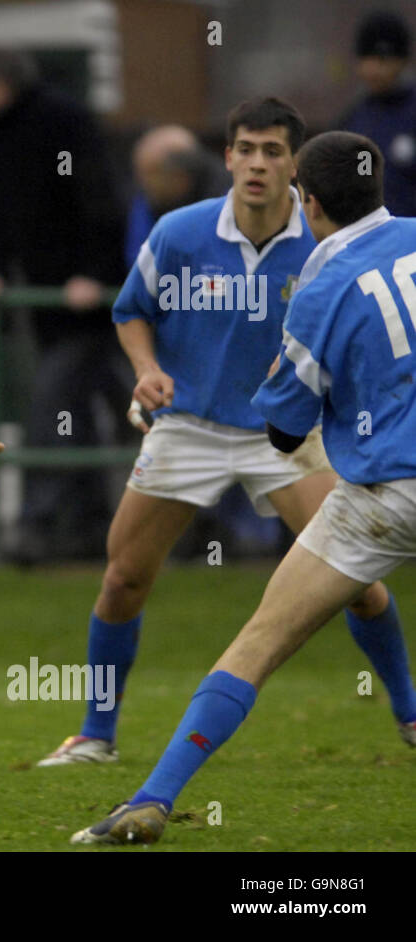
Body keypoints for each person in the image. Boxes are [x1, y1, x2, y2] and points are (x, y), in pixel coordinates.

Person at [37, 100, 416, 769]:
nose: (257, 163)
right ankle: (96, 733)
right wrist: (148, 371)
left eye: (273, 151)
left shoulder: (326, 243)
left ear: (297, 170)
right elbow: (131, 312)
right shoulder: (181, 233)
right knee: (123, 576)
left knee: (361, 582)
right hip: (190, 427)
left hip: (289, 438)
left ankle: (409, 712)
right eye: (246, 148)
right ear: (228, 156)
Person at [0, 47, 128, 561]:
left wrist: (94, 276)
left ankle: (38, 524)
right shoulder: (2, 131)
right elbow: (0, 212)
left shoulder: (64, 122)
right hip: (48, 305)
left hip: (84, 307)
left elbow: (100, 197)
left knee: (54, 406)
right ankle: (88, 526)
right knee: (75, 413)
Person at [338, 10, 416, 216]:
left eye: (382, 59)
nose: (373, 69)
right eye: (366, 59)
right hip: (369, 238)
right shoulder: (355, 118)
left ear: (402, 61)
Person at [124, 124, 228, 267]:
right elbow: (139, 259)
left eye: (149, 175)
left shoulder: (228, 199)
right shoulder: (146, 200)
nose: (141, 183)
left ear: (179, 177)